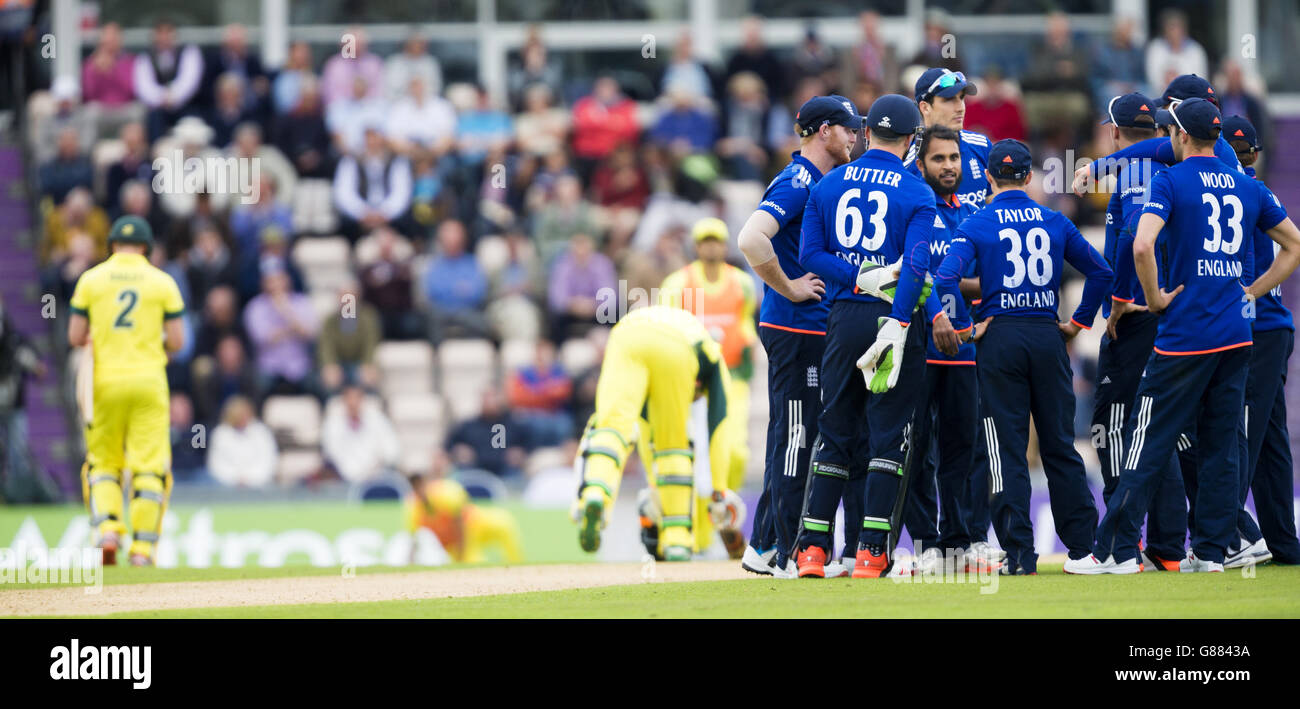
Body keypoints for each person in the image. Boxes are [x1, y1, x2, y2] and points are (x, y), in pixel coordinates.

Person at [1066, 98, 1300, 574]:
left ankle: (1114, 551)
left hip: (1185, 334)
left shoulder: (1170, 181)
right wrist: (1251, 292)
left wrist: (1152, 298)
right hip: (1237, 335)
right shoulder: (1247, 185)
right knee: (1219, 445)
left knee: (1146, 440)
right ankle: (1214, 553)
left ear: (1179, 136)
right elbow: (1294, 245)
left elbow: (1142, 242)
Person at [934, 140, 1111, 575]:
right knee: (1059, 445)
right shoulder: (1055, 220)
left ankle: (1018, 555)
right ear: (1028, 177)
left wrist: (963, 329)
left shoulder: (977, 222)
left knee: (1004, 448)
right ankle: (1084, 549)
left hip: (998, 336)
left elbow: (945, 277)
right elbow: (1102, 271)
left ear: (989, 178)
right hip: (1047, 335)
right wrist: (1078, 324)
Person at [794, 94, 933, 579]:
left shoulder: (827, 185)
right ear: (912, 140)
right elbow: (916, 267)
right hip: (891, 320)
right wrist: (897, 320)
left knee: (834, 430)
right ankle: (872, 553)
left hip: (845, 318)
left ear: (867, 132)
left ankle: (812, 550)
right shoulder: (917, 193)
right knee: (888, 435)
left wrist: (857, 276)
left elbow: (809, 255)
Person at [734, 95, 855, 576]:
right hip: (795, 325)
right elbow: (749, 238)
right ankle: (784, 552)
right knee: (797, 437)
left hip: (803, 326)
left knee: (793, 434)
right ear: (824, 130)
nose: (854, 137)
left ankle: (763, 546)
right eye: (848, 128)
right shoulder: (800, 180)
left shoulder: (816, 180)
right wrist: (788, 286)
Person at [1091, 94, 1187, 571]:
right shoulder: (1173, 169)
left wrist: (1120, 300)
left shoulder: (1133, 177)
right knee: (1159, 425)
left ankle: (1115, 545)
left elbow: (1132, 240)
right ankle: (1169, 546)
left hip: (1139, 315)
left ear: (1114, 131)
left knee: (1115, 423)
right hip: (1174, 312)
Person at [897, 125, 996, 574]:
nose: (949, 166)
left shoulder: (971, 215)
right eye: (939, 159)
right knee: (917, 449)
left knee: (962, 448)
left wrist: (971, 292)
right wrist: (938, 300)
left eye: (954, 158)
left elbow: (977, 279)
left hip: (964, 348)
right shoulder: (914, 207)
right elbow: (911, 271)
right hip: (919, 345)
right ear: (921, 164)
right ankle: (925, 542)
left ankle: (961, 539)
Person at [571, 306, 740, 562]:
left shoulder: (675, 322)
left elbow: (645, 433)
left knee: (612, 426)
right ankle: (677, 540)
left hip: (625, 334)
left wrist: (653, 485)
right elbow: (719, 430)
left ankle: (594, 493)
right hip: (675, 348)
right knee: (673, 446)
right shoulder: (713, 358)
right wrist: (718, 491)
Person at [68, 216, 186, 566]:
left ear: (112, 245)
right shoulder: (162, 282)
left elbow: (75, 337)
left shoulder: (91, 280)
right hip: (149, 383)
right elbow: (177, 341)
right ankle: (143, 550)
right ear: (147, 247)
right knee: (149, 467)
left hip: (103, 384)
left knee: (103, 463)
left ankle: (107, 530)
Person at [1222, 115, 1300, 565]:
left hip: (1258, 328)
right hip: (1275, 326)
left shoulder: (1234, 194)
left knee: (1241, 435)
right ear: (1255, 154)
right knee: (1270, 440)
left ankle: (1231, 535)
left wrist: (1249, 295)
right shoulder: (1260, 192)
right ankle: (1284, 544)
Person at [659, 217, 757, 558]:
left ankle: (723, 514)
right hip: (694, 385)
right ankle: (699, 539)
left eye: (717, 241)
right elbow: (669, 332)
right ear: (697, 246)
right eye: (706, 241)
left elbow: (746, 329)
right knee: (699, 459)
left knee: (735, 452)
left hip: (731, 378)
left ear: (725, 245)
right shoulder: (677, 284)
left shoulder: (743, 284)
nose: (712, 247)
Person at [904, 68, 991, 210]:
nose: (960, 108)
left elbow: (994, 204)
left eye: (961, 98)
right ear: (925, 108)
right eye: (949, 99)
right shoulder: (909, 160)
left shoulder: (981, 146)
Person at [405, 477, 522, 563]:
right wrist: (410, 565)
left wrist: (461, 559)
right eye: (415, 485)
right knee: (471, 563)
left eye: (420, 483)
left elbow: (461, 528)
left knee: (505, 523)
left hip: (474, 525)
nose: (419, 489)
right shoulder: (414, 509)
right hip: (455, 542)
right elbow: (414, 540)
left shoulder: (445, 494)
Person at [321, 384, 401, 483]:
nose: (353, 402)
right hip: (342, 479)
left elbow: (391, 448)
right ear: (344, 400)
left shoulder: (377, 419)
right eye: (349, 398)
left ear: (362, 400)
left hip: (376, 476)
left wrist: (376, 467)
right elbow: (331, 452)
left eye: (356, 398)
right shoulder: (332, 423)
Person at [207, 395, 277, 487]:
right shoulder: (220, 433)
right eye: (238, 416)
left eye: (244, 414)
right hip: (226, 486)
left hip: (259, 485)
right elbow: (216, 465)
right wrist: (235, 479)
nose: (241, 418)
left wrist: (249, 479)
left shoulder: (261, 432)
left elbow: (269, 461)